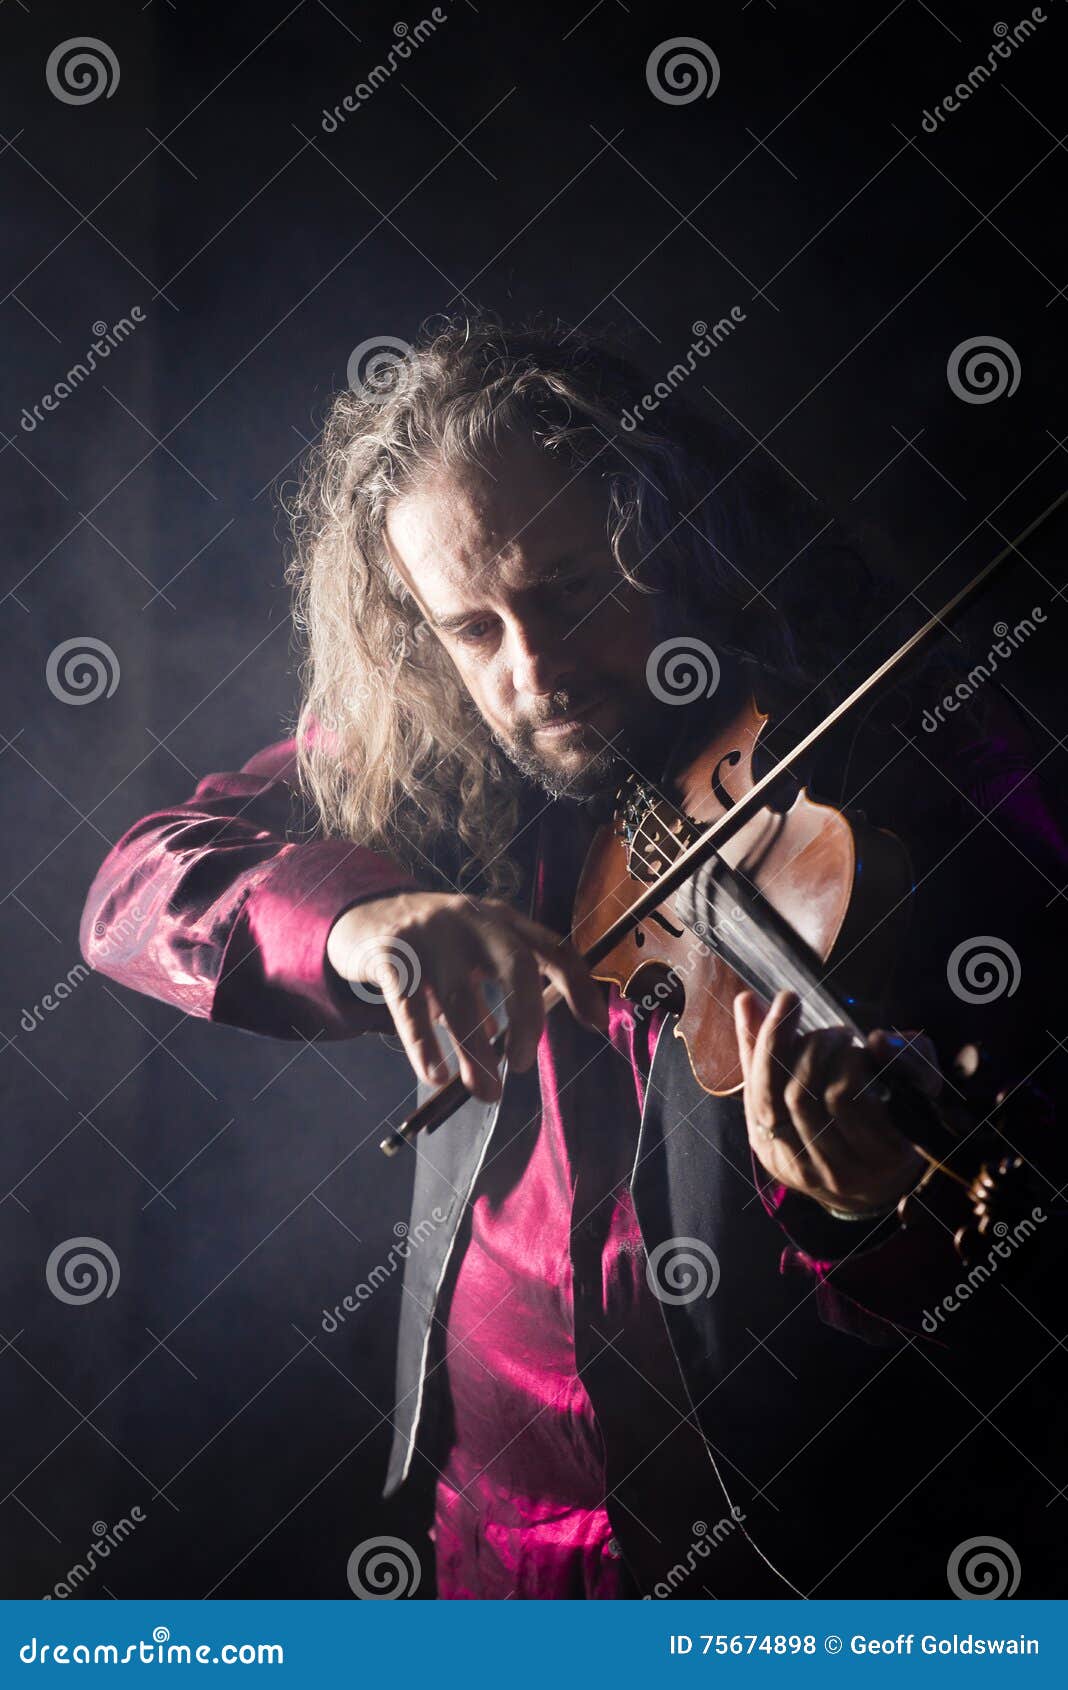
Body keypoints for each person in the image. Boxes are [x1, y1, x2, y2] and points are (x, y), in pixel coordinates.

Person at [80, 314, 1068, 1599]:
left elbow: (992, 1307)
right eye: (473, 629)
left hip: (778, 1569)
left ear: (674, 542)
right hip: (492, 1547)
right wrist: (348, 924)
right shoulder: (434, 766)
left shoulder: (895, 761)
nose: (534, 675)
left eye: (570, 594)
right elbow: (132, 888)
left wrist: (862, 1209)